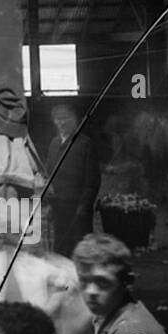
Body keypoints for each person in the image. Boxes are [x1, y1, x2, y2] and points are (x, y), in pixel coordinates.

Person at [45, 102, 100, 259]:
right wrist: (49, 201)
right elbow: (49, 174)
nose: (61, 122)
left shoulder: (85, 144)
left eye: (65, 118)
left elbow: (93, 180)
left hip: (77, 207)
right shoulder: (54, 144)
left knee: (81, 248)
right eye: (57, 118)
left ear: (74, 119)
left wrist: (84, 206)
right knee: (61, 247)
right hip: (58, 206)